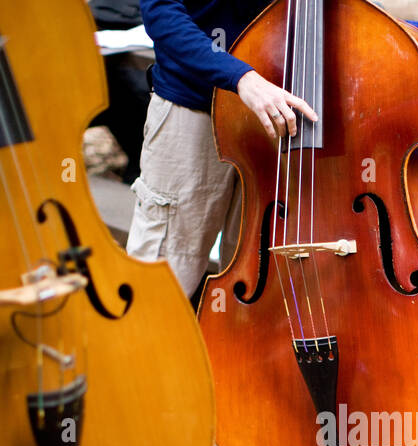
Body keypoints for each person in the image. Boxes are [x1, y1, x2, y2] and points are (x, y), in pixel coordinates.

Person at [127, 0, 317, 300]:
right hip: (195, 107)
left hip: (285, 117)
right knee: (164, 272)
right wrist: (241, 76)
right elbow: (162, 13)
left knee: (259, 282)